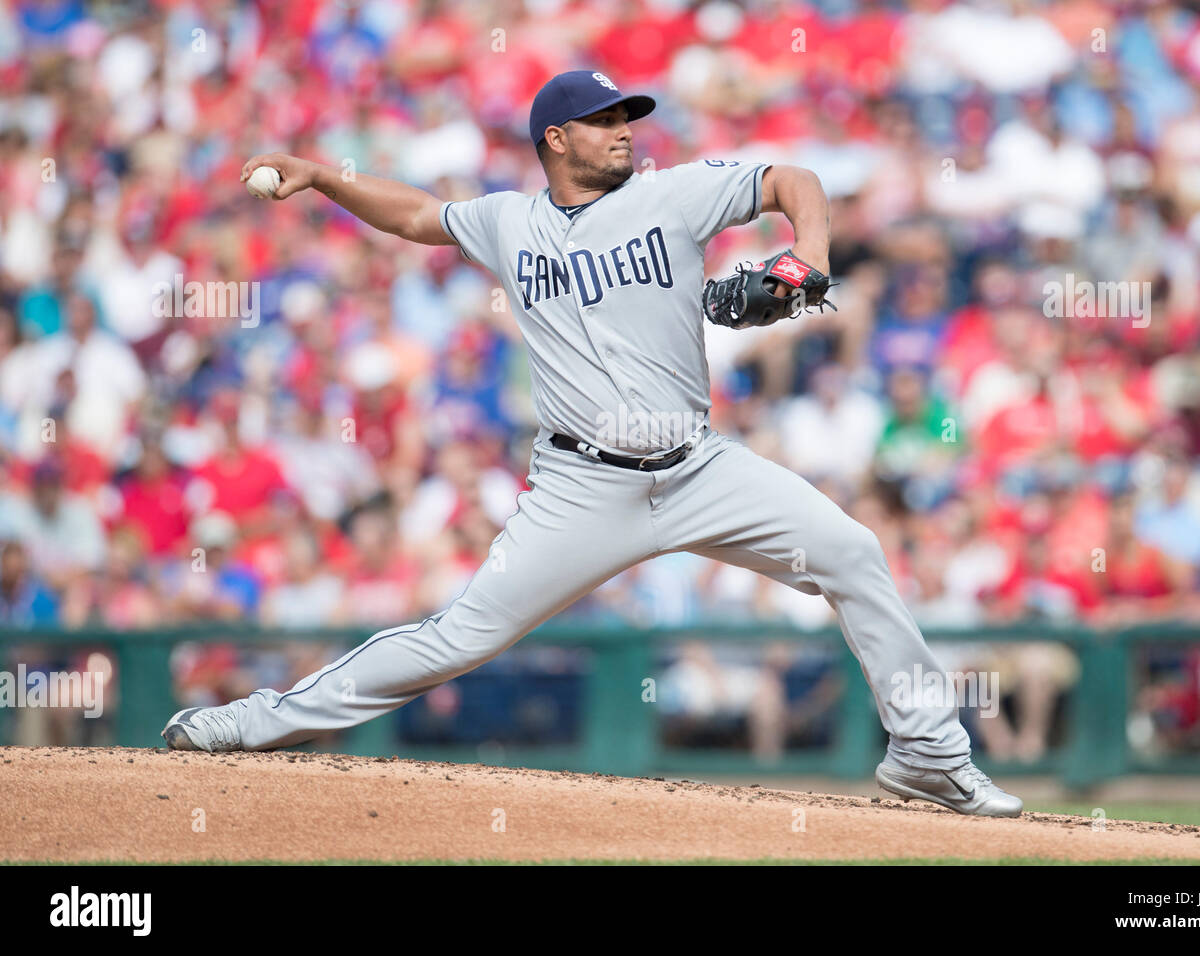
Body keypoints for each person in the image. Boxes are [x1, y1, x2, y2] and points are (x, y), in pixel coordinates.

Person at [162, 70, 1021, 817]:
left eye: (627, 118)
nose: (624, 132)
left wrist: (807, 256)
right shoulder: (508, 221)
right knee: (460, 636)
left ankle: (930, 756)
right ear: (556, 138)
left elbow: (791, 178)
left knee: (853, 552)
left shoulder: (669, 193)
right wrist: (321, 177)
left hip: (698, 466)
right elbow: (417, 215)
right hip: (581, 486)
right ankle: (254, 721)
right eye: (607, 121)